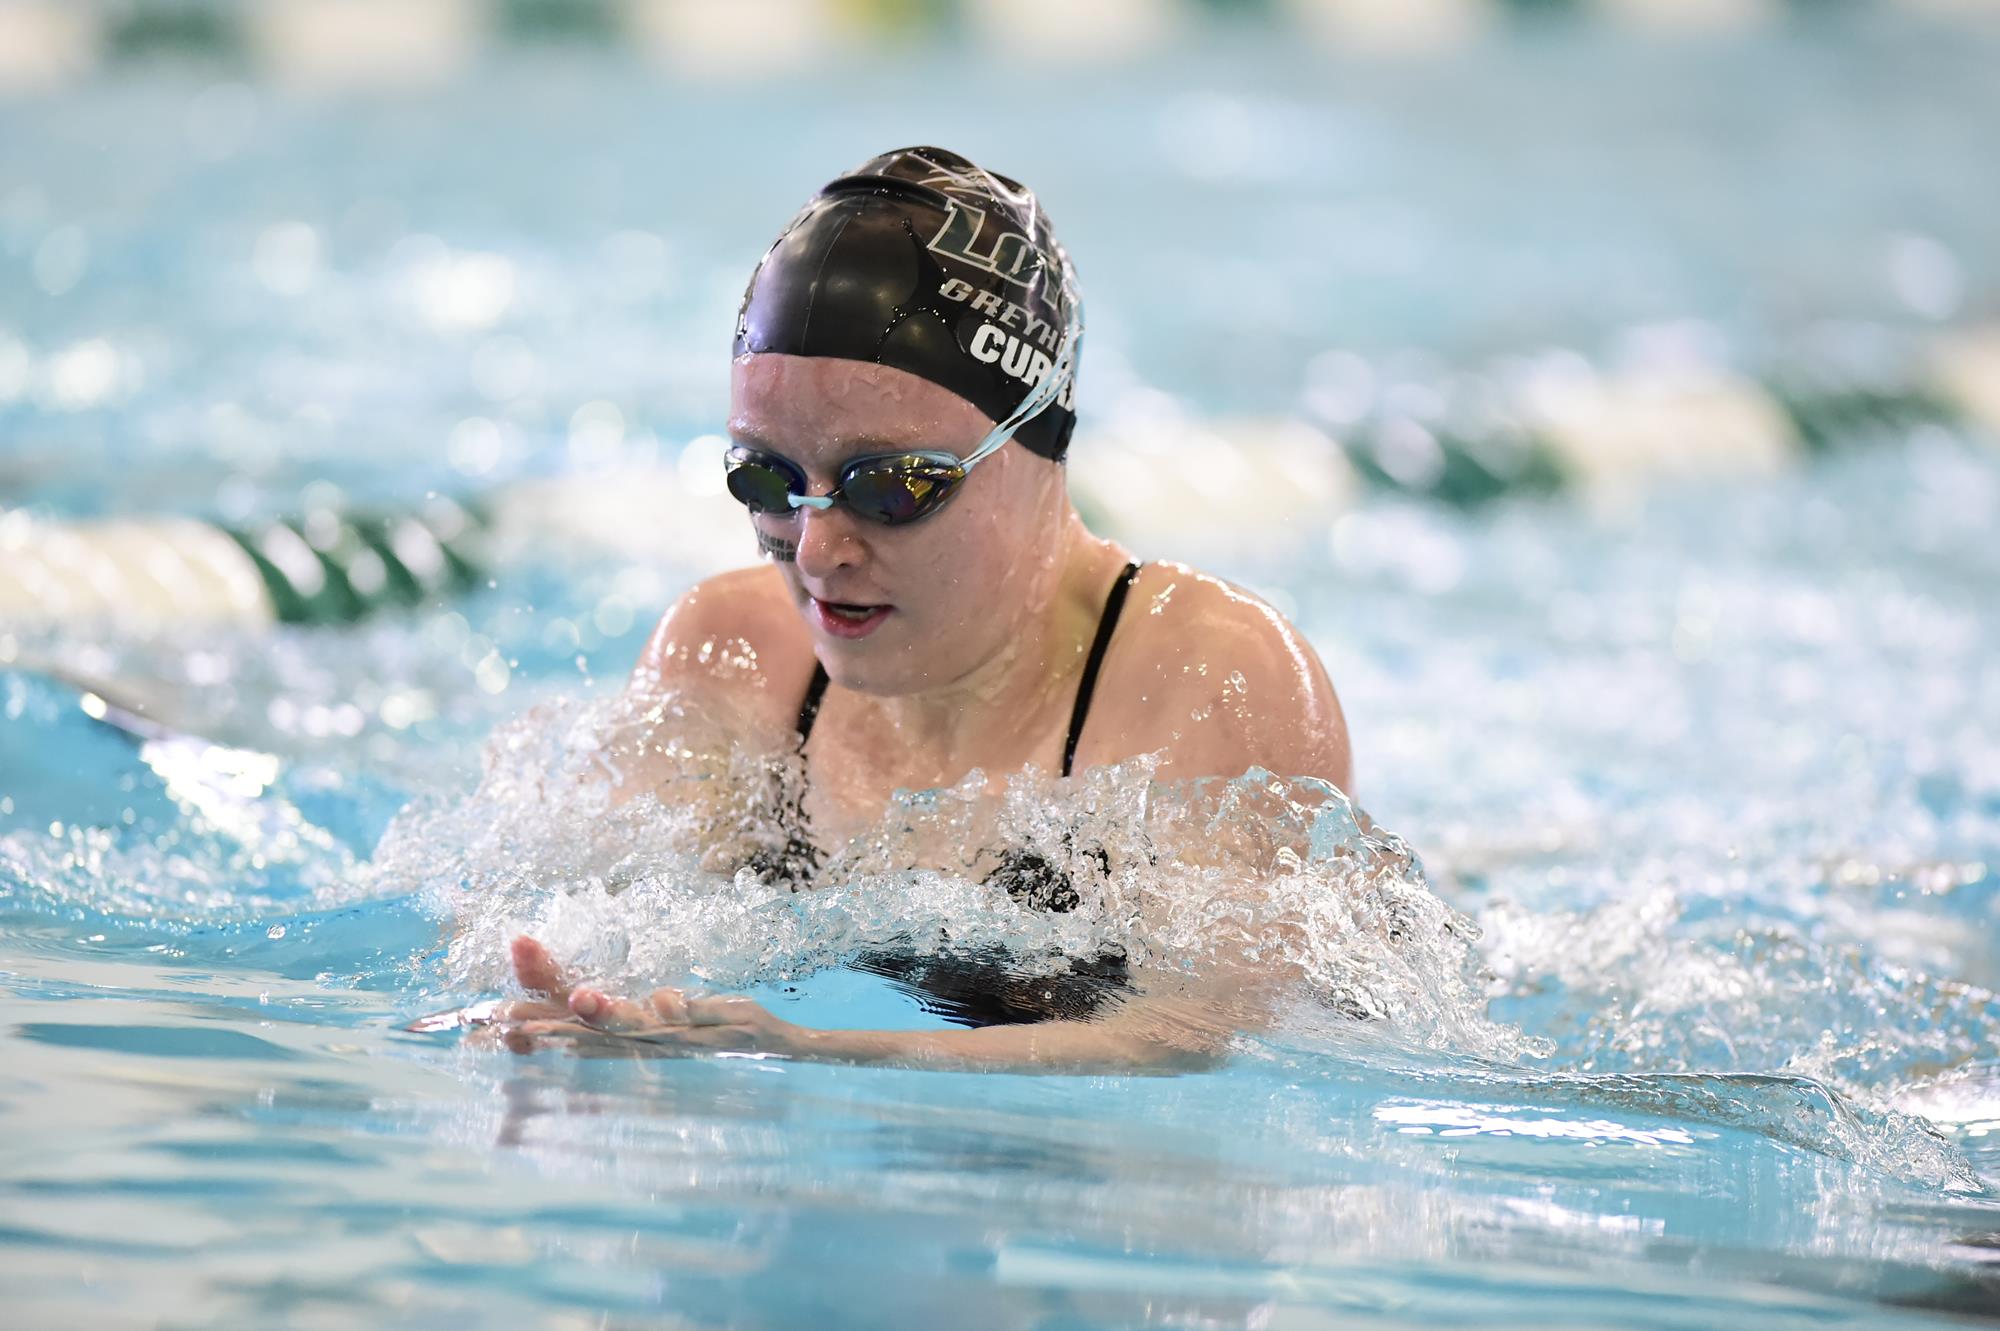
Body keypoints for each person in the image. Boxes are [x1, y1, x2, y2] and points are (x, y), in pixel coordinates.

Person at [485, 147, 1351, 1072]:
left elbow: (1198, 1045)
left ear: (1038, 443)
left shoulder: (1207, 681)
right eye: (766, 478)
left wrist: (821, 1053)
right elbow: (607, 935)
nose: (816, 550)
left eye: (890, 485)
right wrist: (590, 1006)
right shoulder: (732, 655)